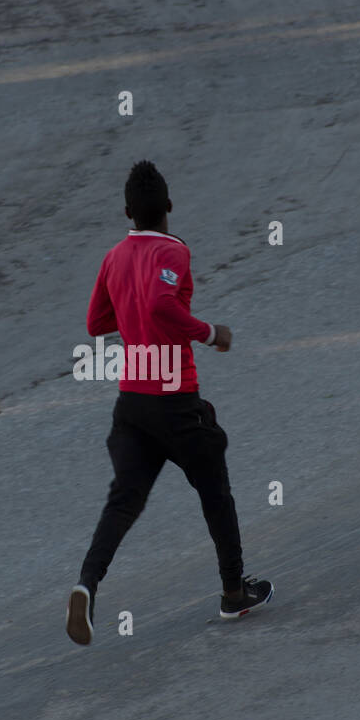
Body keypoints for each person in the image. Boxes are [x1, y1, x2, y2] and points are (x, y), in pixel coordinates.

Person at [66, 160, 273, 645]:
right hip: (175, 400)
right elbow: (162, 303)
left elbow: (96, 324)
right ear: (169, 208)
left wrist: (132, 310)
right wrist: (209, 332)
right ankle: (232, 592)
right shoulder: (173, 250)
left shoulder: (114, 256)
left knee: (124, 501)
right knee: (214, 492)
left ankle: (87, 584)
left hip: (132, 403)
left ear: (126, 212)